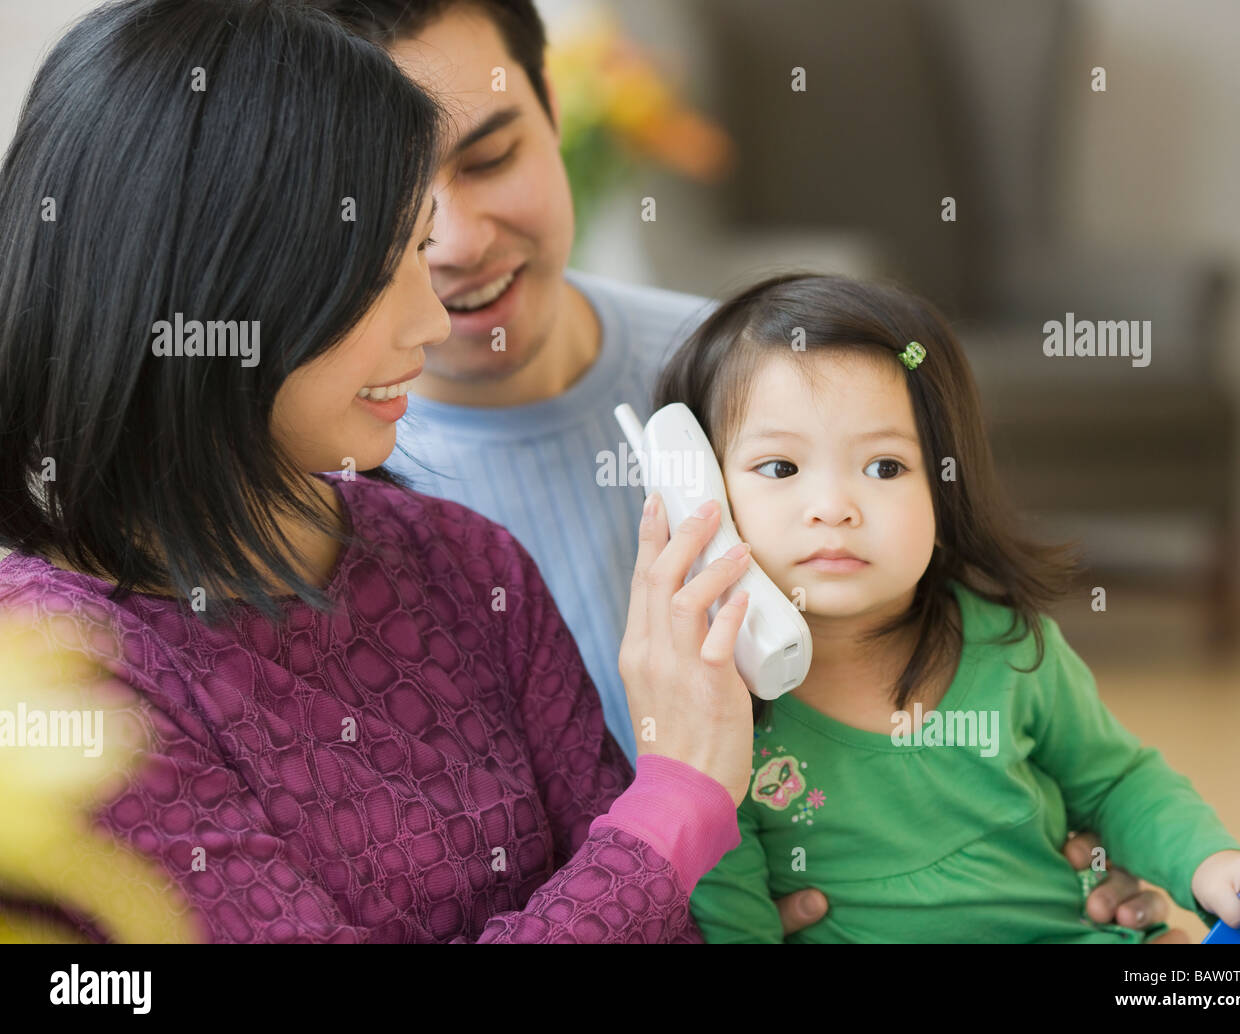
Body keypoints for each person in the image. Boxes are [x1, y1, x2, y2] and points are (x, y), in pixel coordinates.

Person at [309, 0, 1190, 940]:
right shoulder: (310, 478)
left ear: (557, 119)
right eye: (397, 201)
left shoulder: (768, 372)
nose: (459, 239)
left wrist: (1074, 855)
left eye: (490, 158)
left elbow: (1007, 709)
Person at [0, 0, 747, 943]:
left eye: (418, 251)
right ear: (209, 290)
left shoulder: (469, 566)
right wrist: (673, 806)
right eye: (374, 269)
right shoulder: (50, 667)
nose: (432, 324)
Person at [644, 273, 1240, 942]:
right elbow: (732, 916)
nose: (834, 507)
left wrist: (1209, 862)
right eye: (781, 468)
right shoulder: (715, 714)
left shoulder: (1007, 644)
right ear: (701, 492)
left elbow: (1117, 782)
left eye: (886, 467)